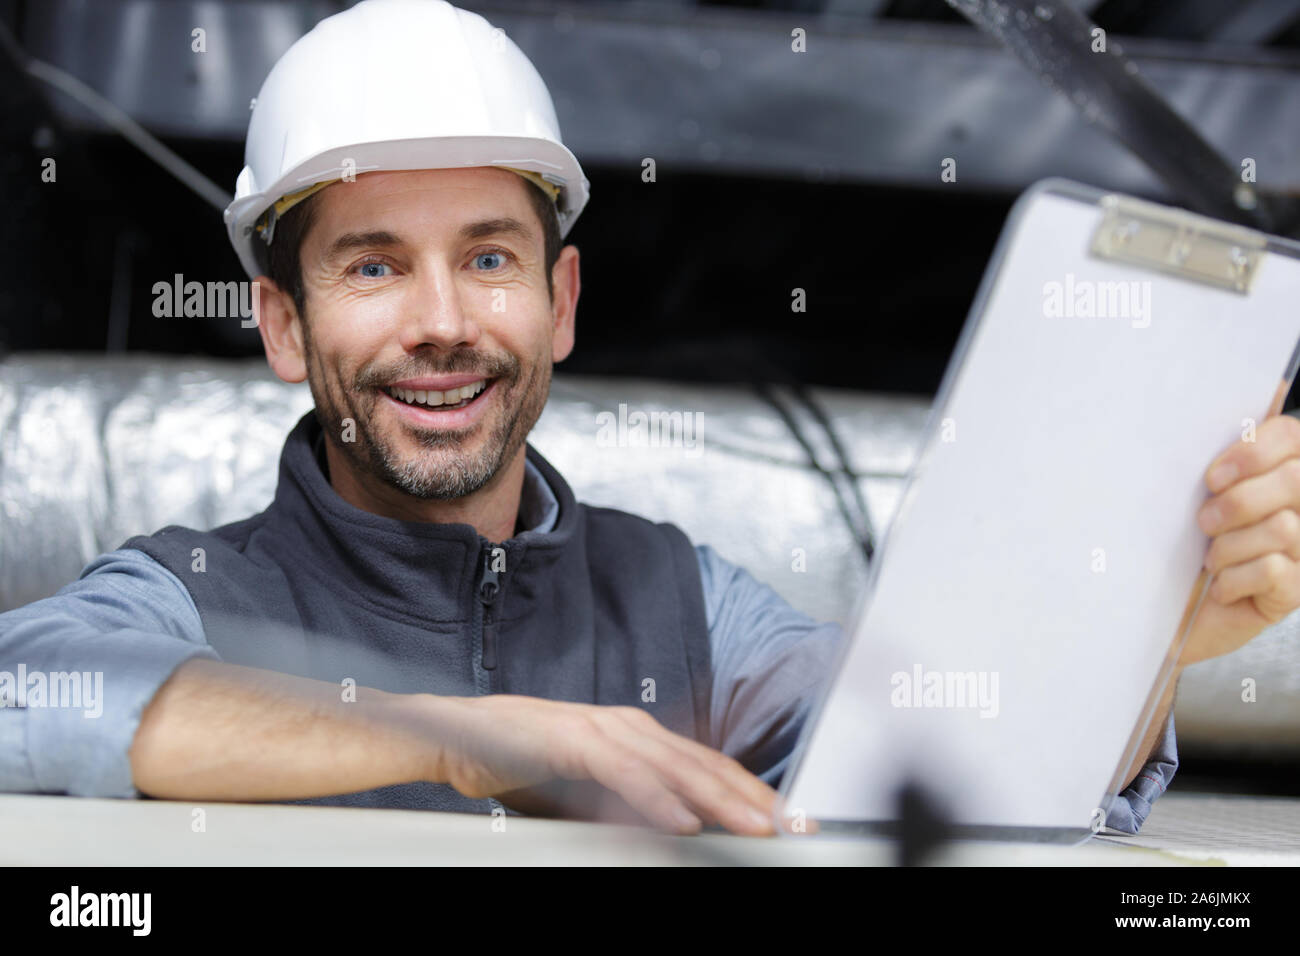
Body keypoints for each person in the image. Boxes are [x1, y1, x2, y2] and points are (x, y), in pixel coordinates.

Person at [2, 0, 1294, 838]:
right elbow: (25, 697)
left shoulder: (686, 605)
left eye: (491, 259)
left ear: (559, 301)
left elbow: (945, 763)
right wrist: (462, 737)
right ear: (284, 325)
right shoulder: (187, 591)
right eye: (375, 266)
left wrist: (1149, 639)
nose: (443, 320)